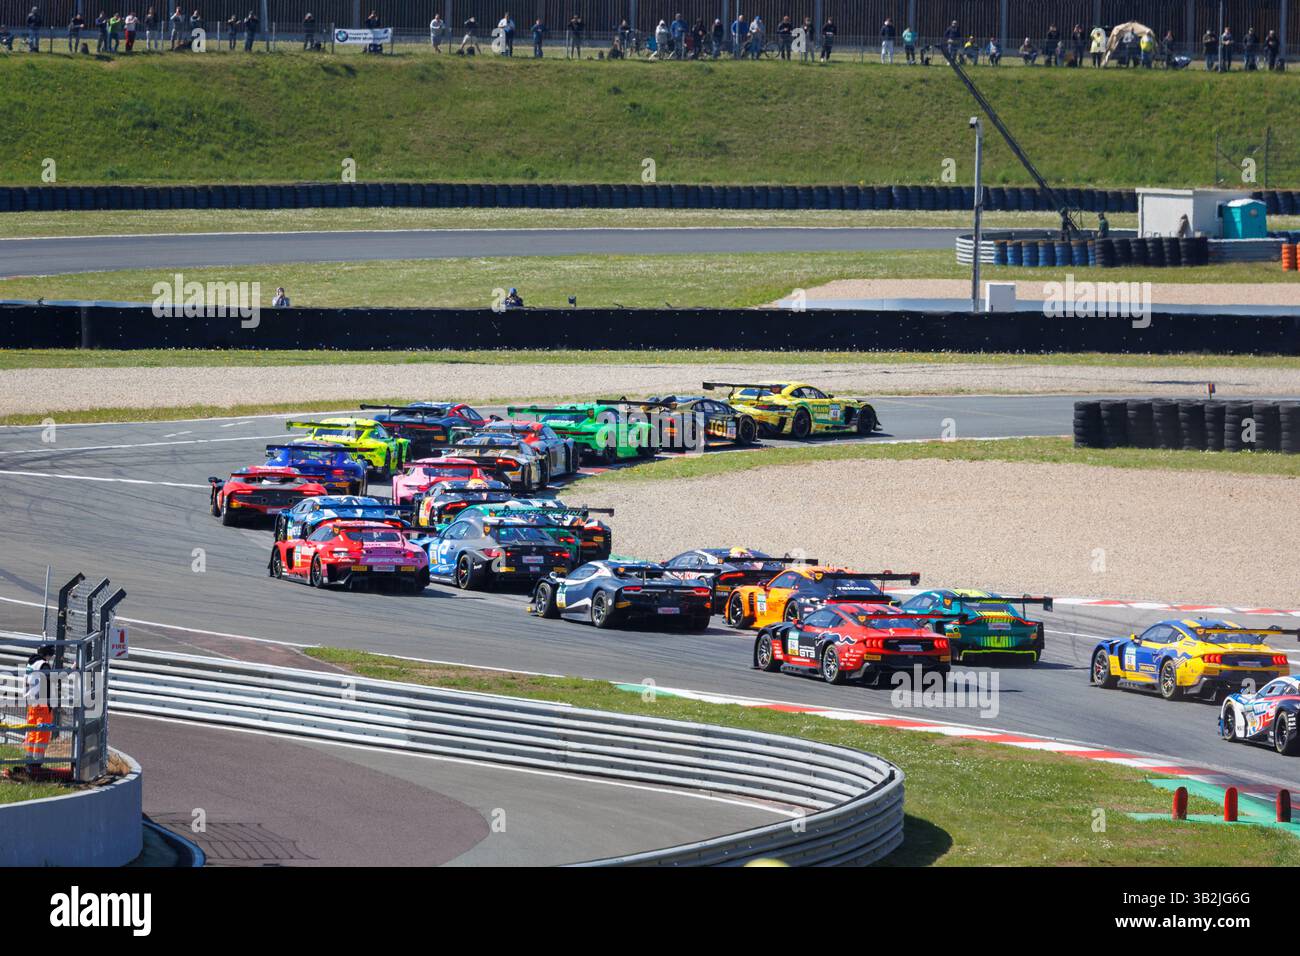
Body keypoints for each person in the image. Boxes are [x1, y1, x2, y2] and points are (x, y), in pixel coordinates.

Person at [21, 645, 56, 773]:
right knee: (42, 732)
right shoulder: (43, 665)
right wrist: (72, 669)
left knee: (31, 731)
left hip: (31, 702)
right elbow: (53, 678)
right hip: (42, 703)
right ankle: (37, 762)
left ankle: (29, 760)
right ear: (48, 655)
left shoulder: (31, 663)